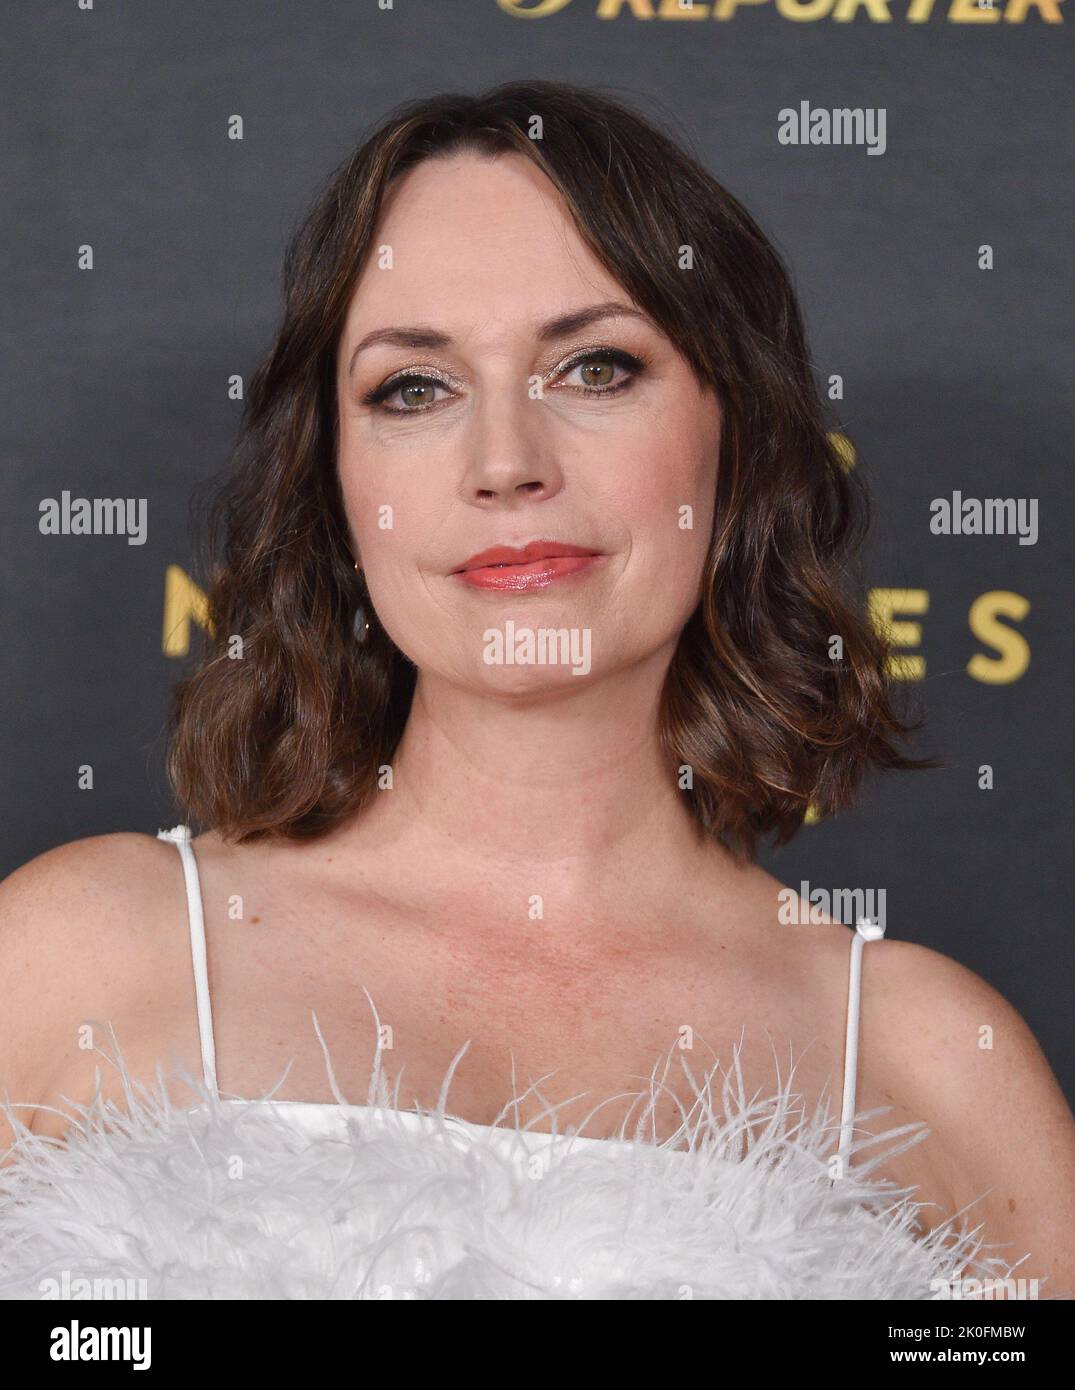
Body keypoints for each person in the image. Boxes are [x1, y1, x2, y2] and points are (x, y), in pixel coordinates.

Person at [1, 80, 1072, 1300]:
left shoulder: (936, 1066)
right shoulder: (75, 957)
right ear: (335, 483)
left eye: (596, 369)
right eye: (414, 388)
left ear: (743, 435)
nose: (506, 462)